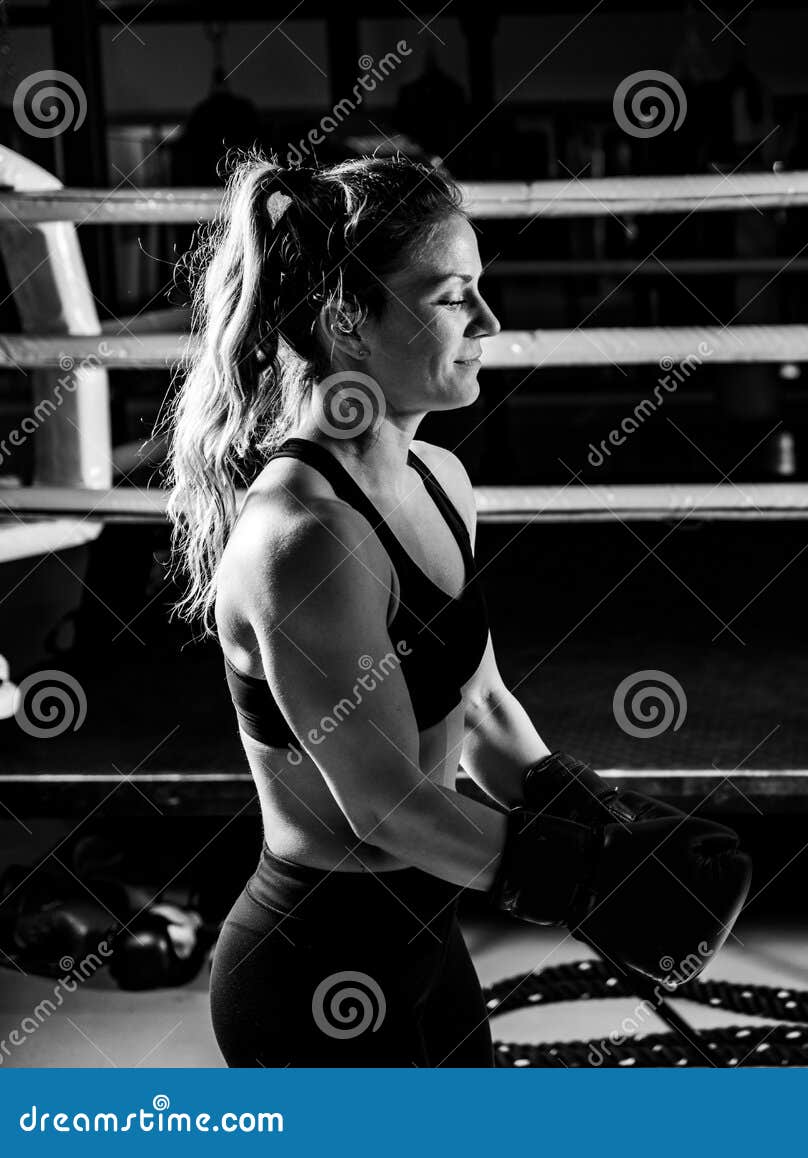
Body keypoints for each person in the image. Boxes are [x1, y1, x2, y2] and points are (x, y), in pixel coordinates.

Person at [163, 153, 750, 1067]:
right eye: (451, 298)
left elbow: (479, 707)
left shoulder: (439, 479)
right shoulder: (305, 534)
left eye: (481, 290)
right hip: (314, 966)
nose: (488, 321)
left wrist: (599, 818)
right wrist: (584, 880)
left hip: (428, 945)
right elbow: (384, 806)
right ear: (347, 322)